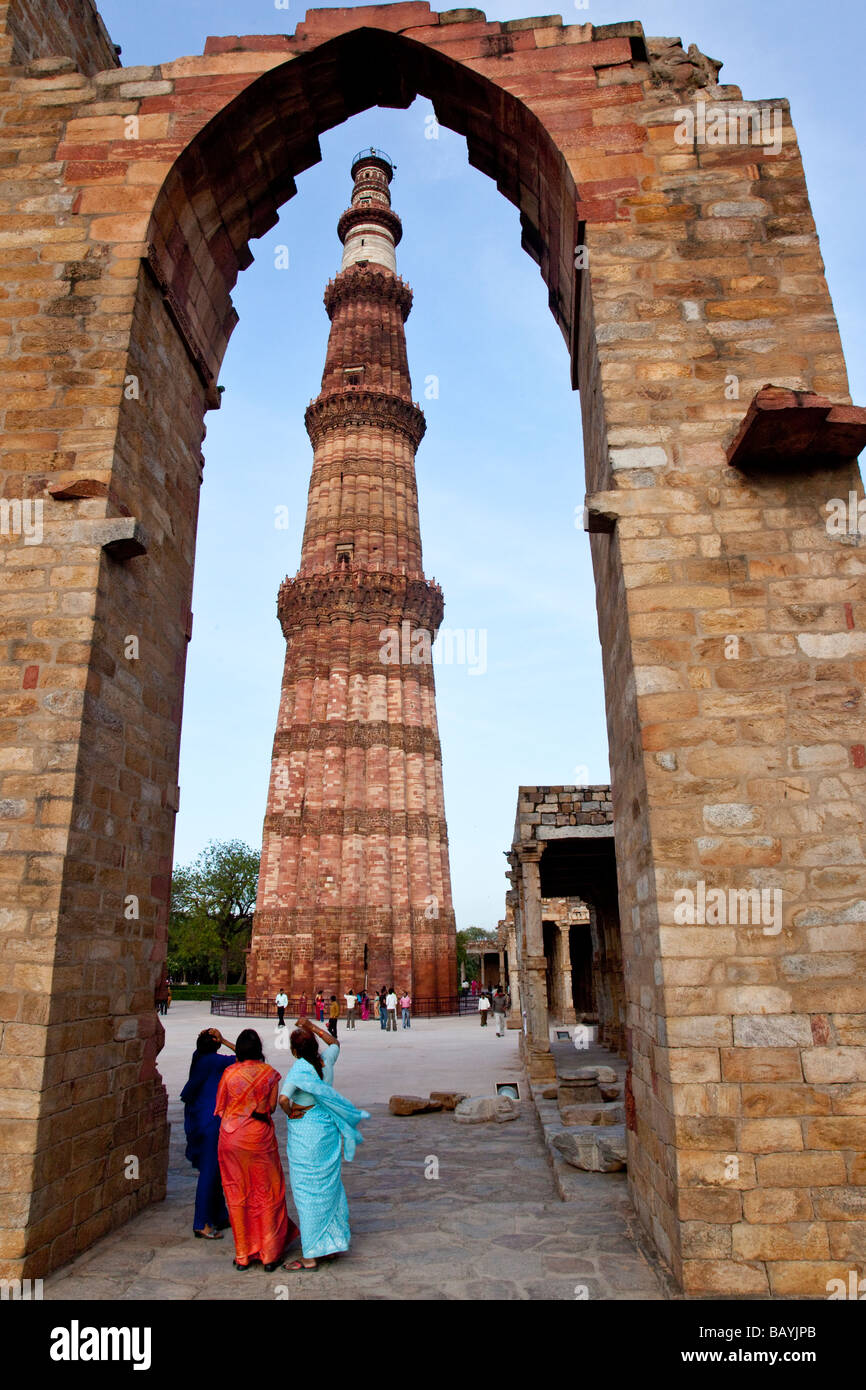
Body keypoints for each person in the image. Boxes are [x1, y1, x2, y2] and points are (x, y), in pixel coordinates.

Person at [279, 1018, 369, 1271]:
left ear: (294, 1051)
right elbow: (335, 1043)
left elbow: (283, 1099)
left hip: (305, 1133)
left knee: (307, 1193)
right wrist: (311, 1026)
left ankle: (310, 1255)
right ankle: (329, 1246)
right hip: (326, 1130)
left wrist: (291, 1112)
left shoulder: (299, 1068)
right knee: (328, 1187)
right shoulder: (325, 1062)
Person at [214, 1028, 297, 1271]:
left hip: (231, 1138)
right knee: (267, 1193)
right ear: (259, 1050)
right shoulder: (270, 1074)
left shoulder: (229, 1073)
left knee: (237, 1194)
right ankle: (269, 1255)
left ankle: (243, 1255)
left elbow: (221, 1106)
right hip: (258, 1139)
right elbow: (271, 1108)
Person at [180, 1027, 236, 1239]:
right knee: (209, 1172)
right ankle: (201, 1222)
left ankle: (219, 1215)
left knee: (214, 1170)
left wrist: (206, 1039)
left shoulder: (199, 1058)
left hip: (197, 1118)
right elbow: (250, 1056)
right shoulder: (215, 1062)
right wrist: (225, 1040)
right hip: (211, 1122)